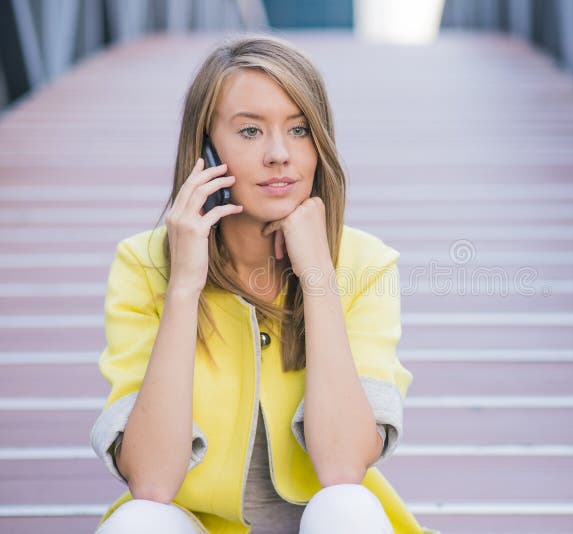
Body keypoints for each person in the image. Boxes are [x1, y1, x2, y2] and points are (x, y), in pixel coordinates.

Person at [89, 33, 437, 534]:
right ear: (205, 150)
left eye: (299, 130)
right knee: (139, 523)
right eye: (250, 132)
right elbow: (151, 481)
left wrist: (317, 275)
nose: (280, 154)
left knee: (346, 507)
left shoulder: (364, 263)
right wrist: (185, 286)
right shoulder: (143, 266)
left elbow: (343, 469)